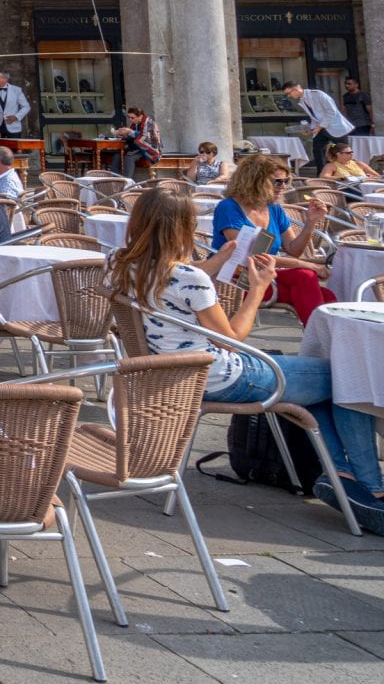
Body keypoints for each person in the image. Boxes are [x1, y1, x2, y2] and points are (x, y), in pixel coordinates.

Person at [113, 184, 382, 503]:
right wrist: (257, 289)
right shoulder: (188, 278)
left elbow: (174, 277)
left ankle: (341, 472)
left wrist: (221, 259)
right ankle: (370, 484)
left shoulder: (121, 264)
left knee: (320, 384)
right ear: (183, 228)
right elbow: (231, 339)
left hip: (173, 374)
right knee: (347, 375)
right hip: (221, 377)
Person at [211, 153, 334, 323]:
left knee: (326, 295)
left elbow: (294, 249)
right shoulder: (229, 208)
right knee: (306, 278)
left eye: (286, 181)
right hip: (233, 278)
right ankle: (322, 343)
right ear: (255, 181)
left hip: (264, 276)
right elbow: (251, 255)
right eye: (277, 181)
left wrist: (311, 222)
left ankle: (324, 344)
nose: (283, 186)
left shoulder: (273, 209)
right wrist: (309, 265)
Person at [285, 80, 355, 172]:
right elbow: (315, 117)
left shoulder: (317, 94)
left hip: (335, 127)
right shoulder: (302, 100)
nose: (289, 96)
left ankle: (349, 173)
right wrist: (310, 129)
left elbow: (331, 111)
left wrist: (320, 127)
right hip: (321, 128)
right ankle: (321, 174)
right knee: (317, 150)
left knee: (342, 151)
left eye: (288, 93)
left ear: (296, 90)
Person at [110, 106, 162, 178]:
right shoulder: (135, 123)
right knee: (117, 155)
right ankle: (114, 179)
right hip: (137, 147)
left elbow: (146, 138)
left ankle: (127, 182)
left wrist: (129, 131)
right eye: (129, 117)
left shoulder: (149, 123)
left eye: (132, 118)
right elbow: (132, 136)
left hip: (149, 149)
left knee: (129, 157)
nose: (130, 120)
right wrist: (123, 135)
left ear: (140, 116)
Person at [0, 71, 31, 140]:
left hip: (13, 127)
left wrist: (16, 117)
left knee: (14, 149)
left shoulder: (16, 90)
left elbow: (26, 107)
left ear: (5, 79)